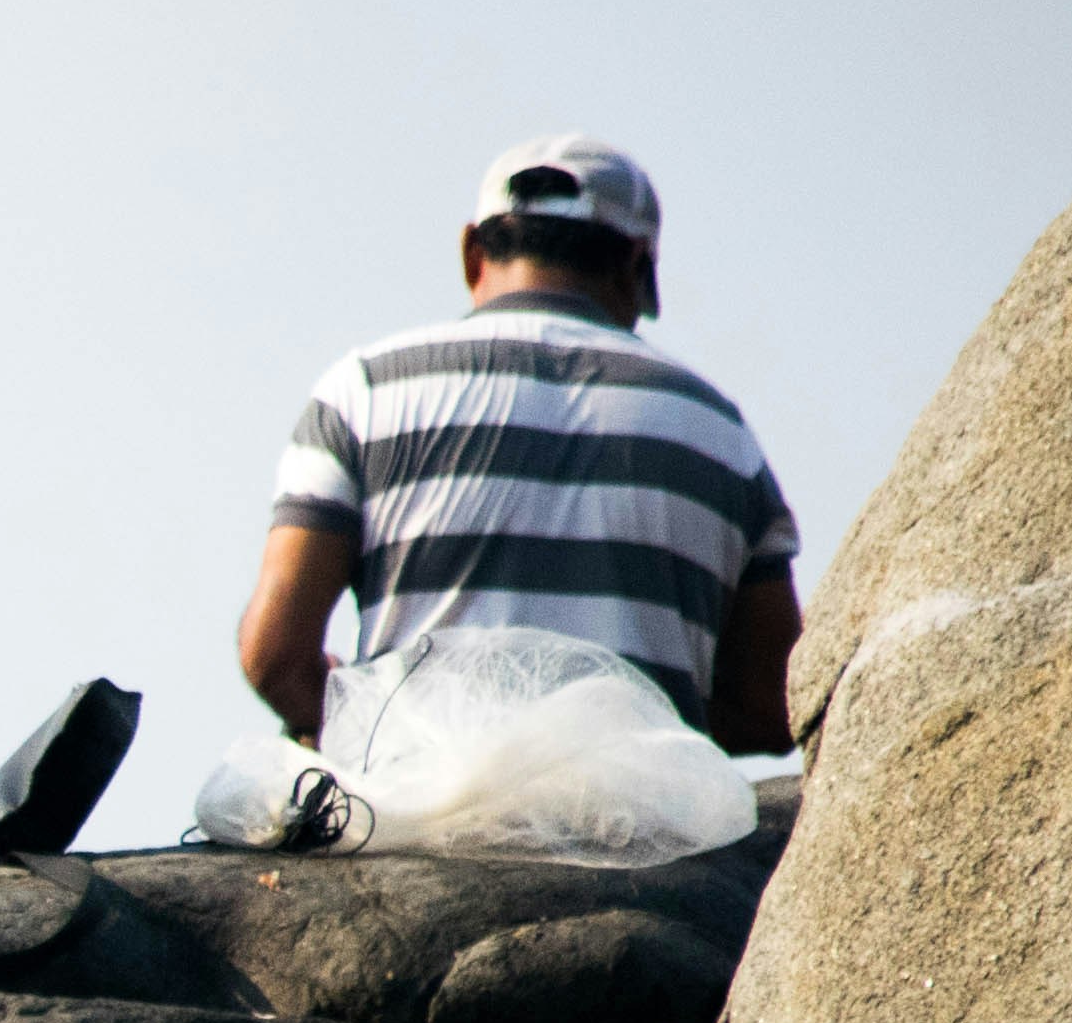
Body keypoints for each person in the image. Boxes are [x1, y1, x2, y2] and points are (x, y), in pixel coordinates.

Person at [236, 136, 803, 760]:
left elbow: (275, 657)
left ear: (472, 251)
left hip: (409, 811)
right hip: (641, 823)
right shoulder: (718, 432)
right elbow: (773, 708)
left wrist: (347, 718)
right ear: (636, 265)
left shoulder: (364, 390)